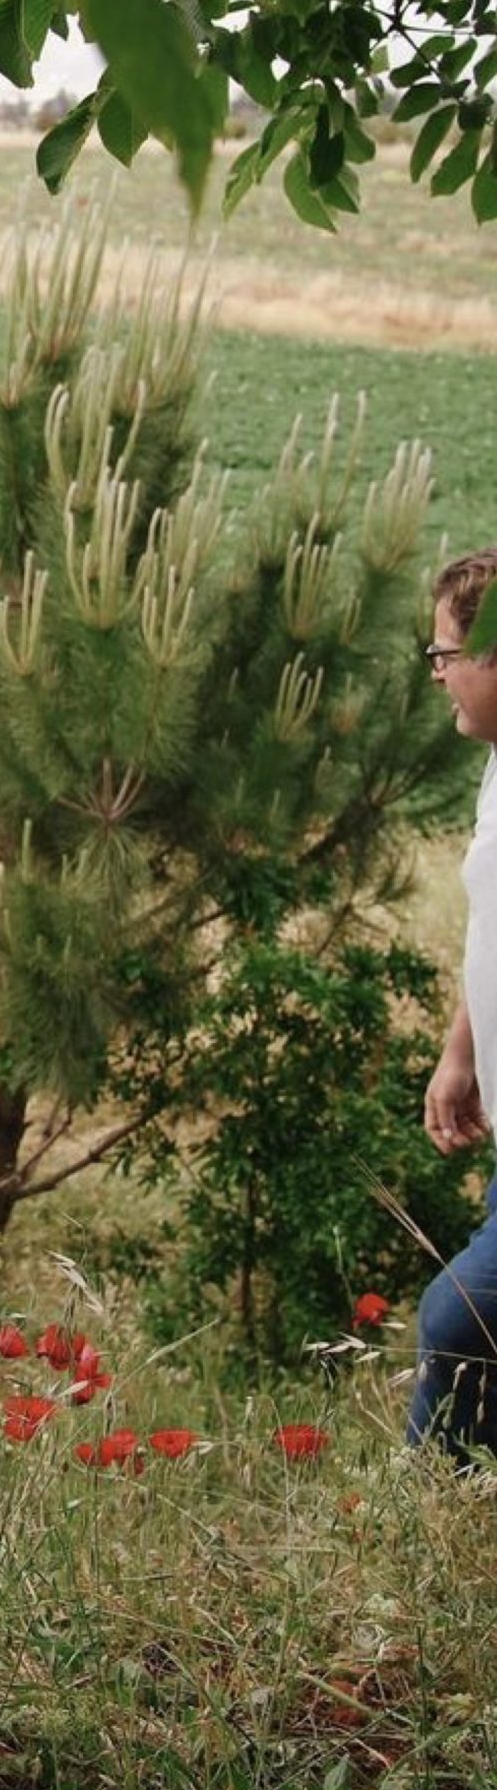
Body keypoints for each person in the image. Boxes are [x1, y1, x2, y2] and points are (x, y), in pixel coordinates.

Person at [415, 547, 497, 1458]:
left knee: (459, 1318)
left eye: (446, 653)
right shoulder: (495, 769)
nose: (437, 672)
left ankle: (428, 1509)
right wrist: (462, 1051)